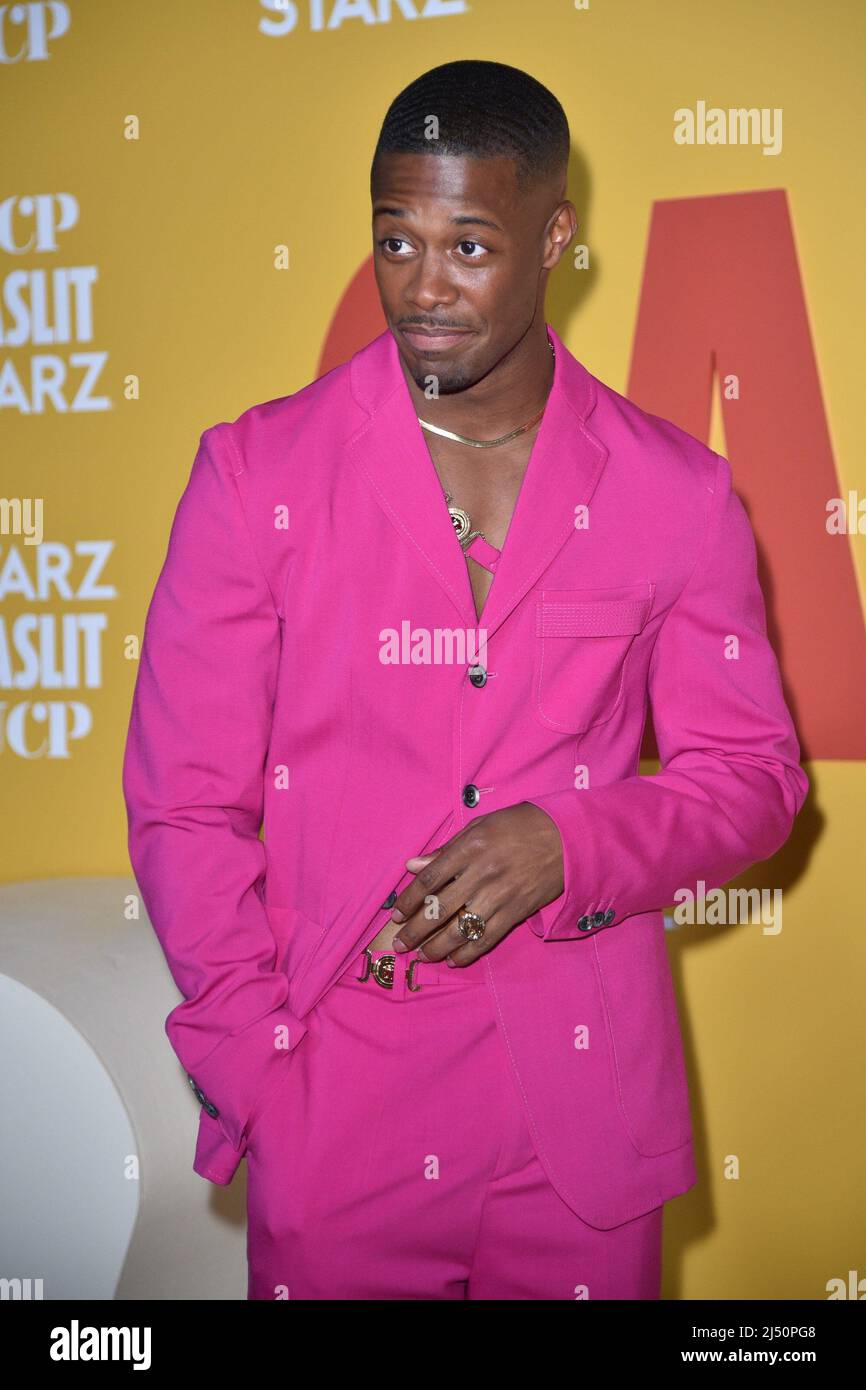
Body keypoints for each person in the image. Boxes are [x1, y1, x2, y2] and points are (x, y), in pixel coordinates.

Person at [122, 59, 809, 1300]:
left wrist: (573, 839)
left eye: (469, 246)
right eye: (395, 239)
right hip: (337, 1098)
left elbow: (753, 779)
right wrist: (262, 1073)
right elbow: (184, 802)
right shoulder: (254, 473)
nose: (422, 288)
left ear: (555, 237)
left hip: (583, 1116)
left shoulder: (673, 492)